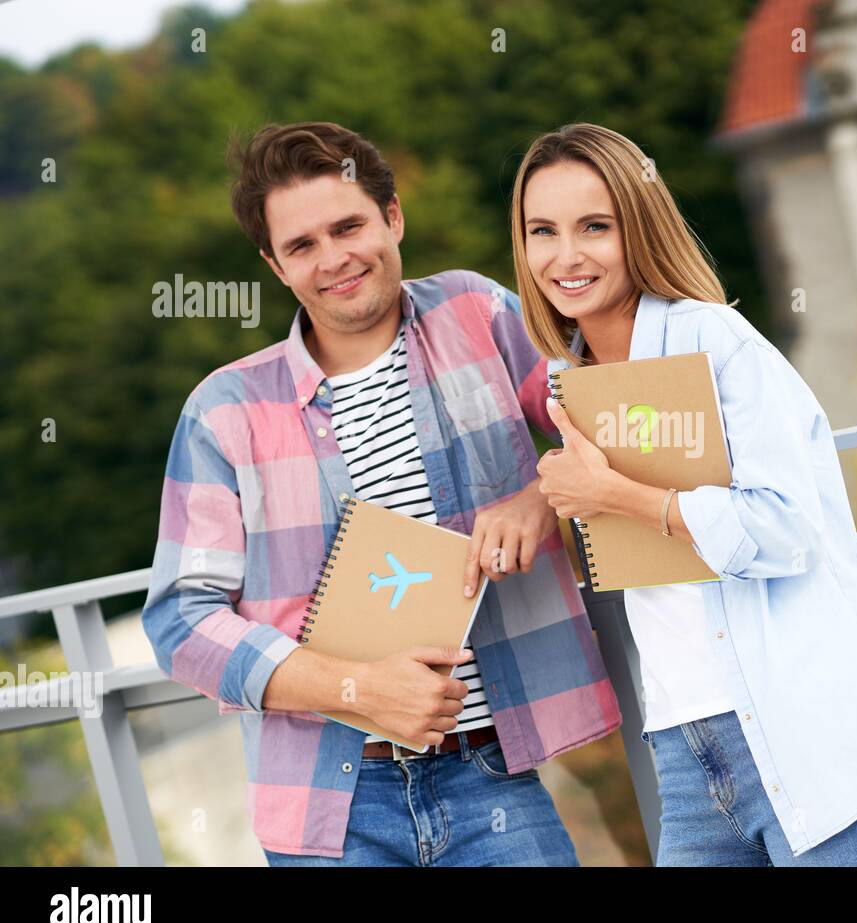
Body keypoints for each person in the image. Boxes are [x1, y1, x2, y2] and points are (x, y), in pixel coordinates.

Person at [141, 121, 620, 866]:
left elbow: (615, 421)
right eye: (302, 246)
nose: (334, 259)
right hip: (329, 815)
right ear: (274, 264)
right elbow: (180, 619)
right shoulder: (223, 410)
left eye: (349, 225)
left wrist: (541, 497)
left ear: (391, 217)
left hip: (495, 774)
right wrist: (356, 688)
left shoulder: (478, 315)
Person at [513, 123, 857, 865]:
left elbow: (786, 527)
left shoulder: (716, 341)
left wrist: (619, 493)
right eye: (542, 230)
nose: (565, 256)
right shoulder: (565, 385)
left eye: (594, 227)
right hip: (684, 750)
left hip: (810, 736)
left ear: (636, 229)